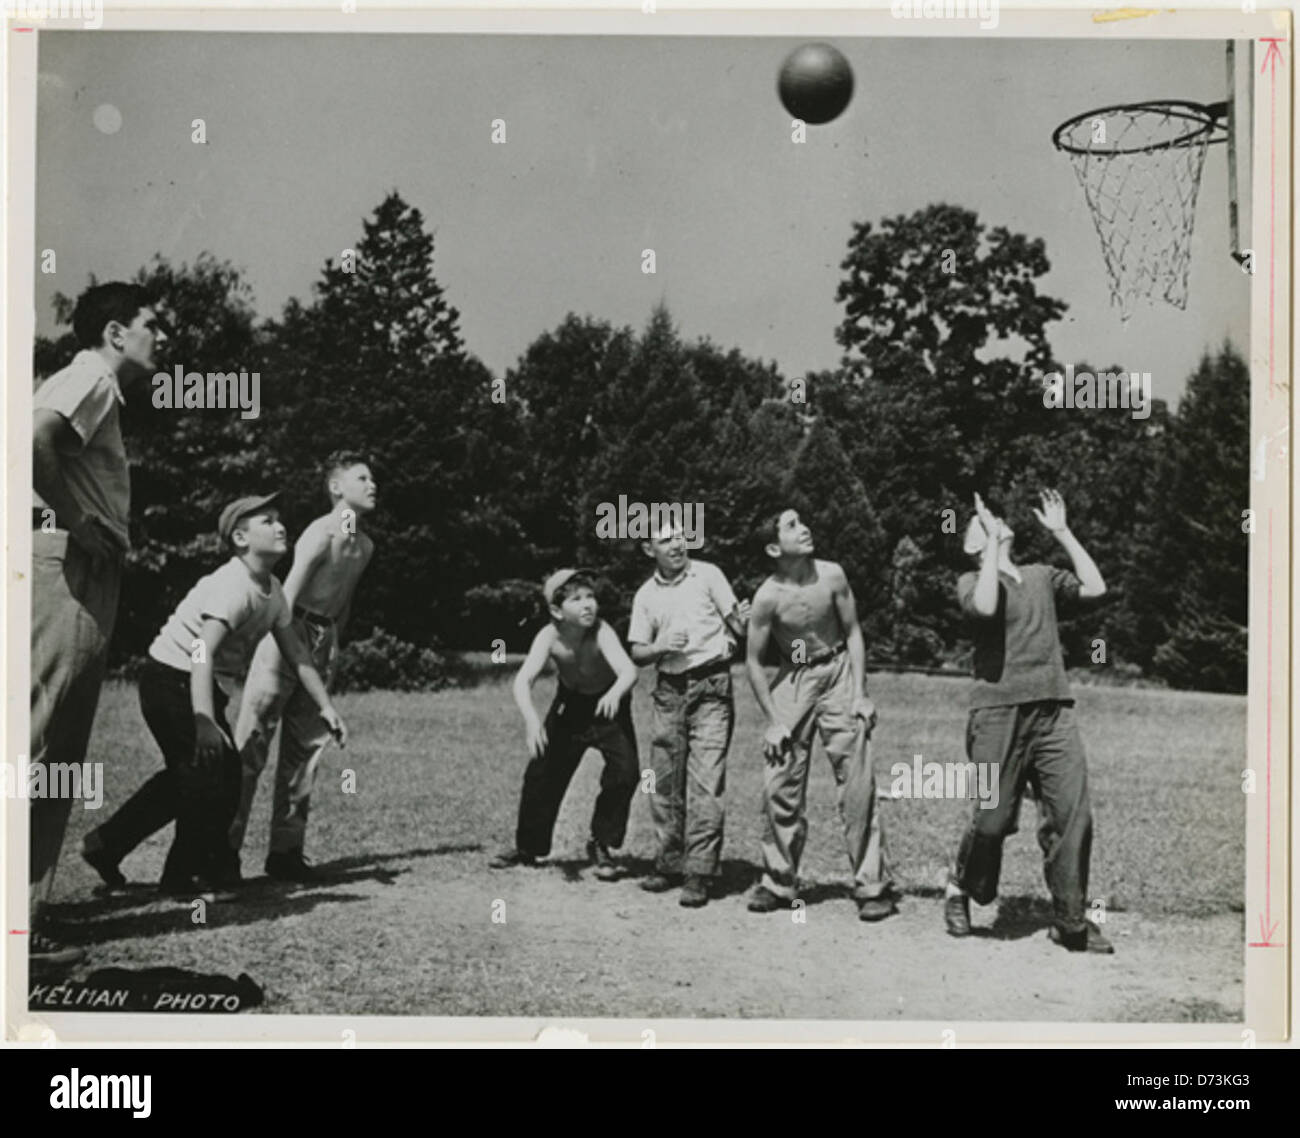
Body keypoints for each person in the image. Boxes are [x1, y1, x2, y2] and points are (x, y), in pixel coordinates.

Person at [81, 495, 346, 896]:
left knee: (196, 776)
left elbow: (297, 653)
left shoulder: (272, 591)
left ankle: (109, 846)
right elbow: (199, 652)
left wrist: (325, 706)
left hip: (199, 685)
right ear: (240, 538)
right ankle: (185, 876)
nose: (280, 526)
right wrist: (204, 721)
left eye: (280, 519)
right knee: (210, 776)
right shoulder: (232, 587)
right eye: (267, 521)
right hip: (171, 678)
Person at [29, 283, 167, 967]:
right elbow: (32, 440)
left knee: (49, 747)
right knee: (40, 744)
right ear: (115, 333)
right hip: (64, 566)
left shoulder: (94, 384)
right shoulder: (94, 379)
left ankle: (22, 918)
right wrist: (81, 524)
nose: (161, 337)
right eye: (152, 325)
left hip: (67, 565)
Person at [944, 490, 1112, 953]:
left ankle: (1071, 920)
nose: (995, 520)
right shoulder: (969, 579)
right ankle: (960, 886)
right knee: (993, 820)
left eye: (996, 517)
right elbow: (985, 606)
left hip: (1054, 709)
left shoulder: (1041, 575)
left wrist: (1062, 533)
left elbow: (1096, 588)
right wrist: (992, 548)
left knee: (1072, 816)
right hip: (997, 713)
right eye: (982, 522)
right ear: (970, 546)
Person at [229, 453, 376, 881]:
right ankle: (224, 852)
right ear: (336, 488)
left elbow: (342, 604)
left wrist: (333, 650)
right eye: (362, 478)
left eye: (373, 479)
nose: (373, 486)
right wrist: (283, 650)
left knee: (307, 749)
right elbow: (286, 599)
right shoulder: (320, 533)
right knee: (250, 746)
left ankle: (286, 853)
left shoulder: (364, 546)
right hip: (286, 635)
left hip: (322, 640)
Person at [744, 509, 895, 921]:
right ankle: (778, 881)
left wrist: (861, 694)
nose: (805, 527)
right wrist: (775, 720)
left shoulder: (832, 576)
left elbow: (853, 632)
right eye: (791, 526)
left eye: (803, 521)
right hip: (794, 678)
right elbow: (754, 662)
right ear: (775, 547)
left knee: (858, 782)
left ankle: (872, 885)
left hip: (839, 671)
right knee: (780, 780)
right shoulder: (767, 597)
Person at [628, 524, 749, 907]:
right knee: (664, 781)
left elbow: (739, 626)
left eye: (681, 536)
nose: (677, 543)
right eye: (666, 539)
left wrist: (742, 625)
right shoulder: (645, 595)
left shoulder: (709, 574)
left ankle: (698, 872)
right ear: (650, 549)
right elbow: (637, 651)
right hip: (668, 691)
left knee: (706, 782)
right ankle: (668, 863)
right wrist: (660, 646)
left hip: (711, 687)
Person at [490, 569, 639, 879]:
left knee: (626, 773)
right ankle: (528, 848)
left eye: (590, 597)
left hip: (609, 706)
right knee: (542, 774)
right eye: (577, 599)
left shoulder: (601, 630)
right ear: (557, 610)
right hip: (570, 707)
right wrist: (532, 721)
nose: (588, 605)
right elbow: (523, 680)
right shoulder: (548, 636)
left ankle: (602, 842)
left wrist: (614, 693)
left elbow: (628, 670)